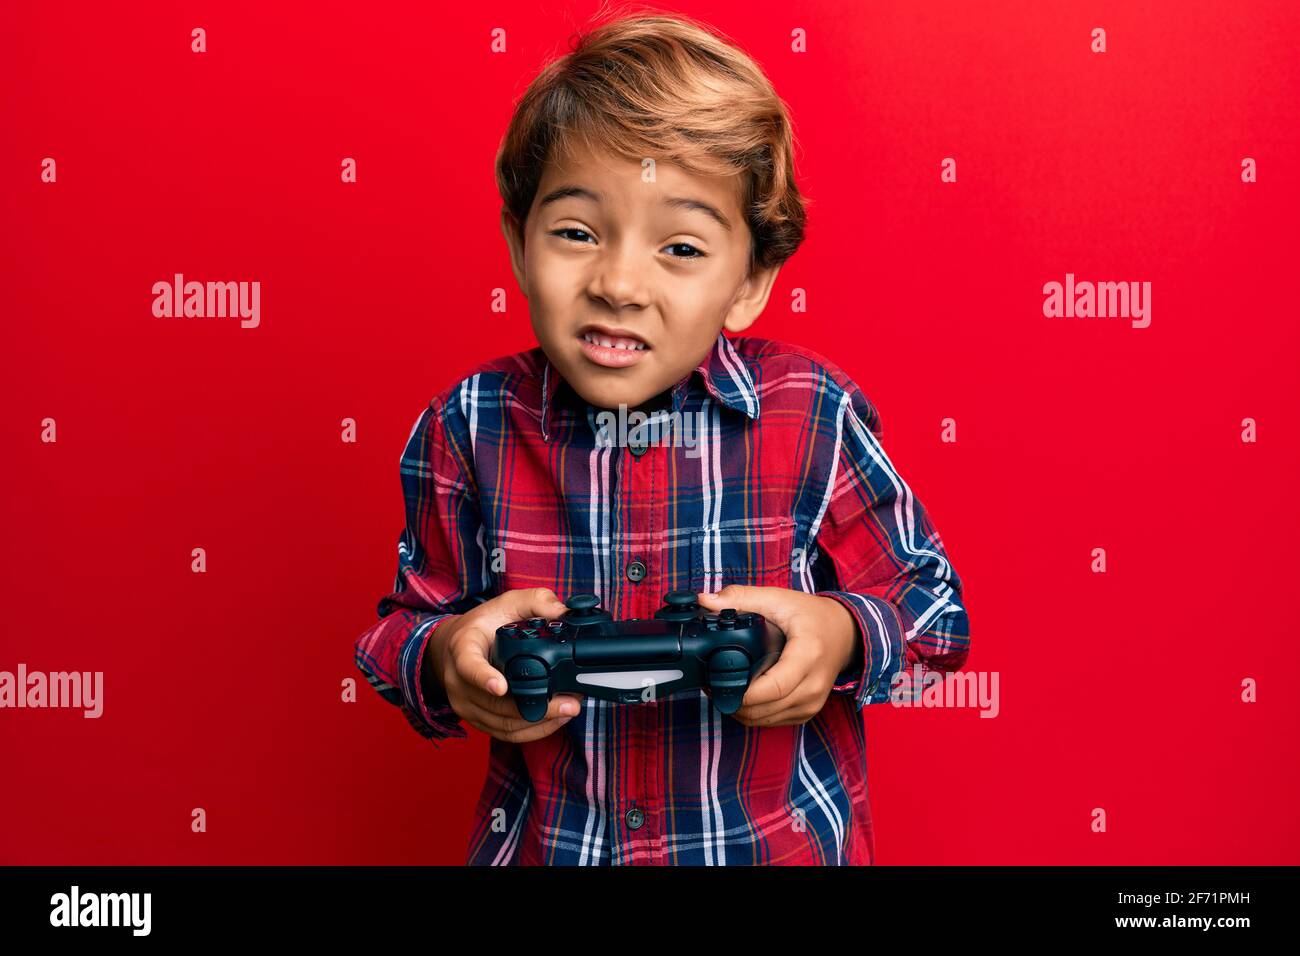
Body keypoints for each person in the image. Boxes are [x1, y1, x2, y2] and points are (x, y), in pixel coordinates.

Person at [354, 11, 970, 865]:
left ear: (750, 282)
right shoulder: (470, 425)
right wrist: (448, 660)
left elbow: (936, 618)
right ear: (517, 242)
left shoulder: (810, 413)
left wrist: (837, 635)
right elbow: (398, 633)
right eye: (575, 232)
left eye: (679, 247)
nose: (618, 282)